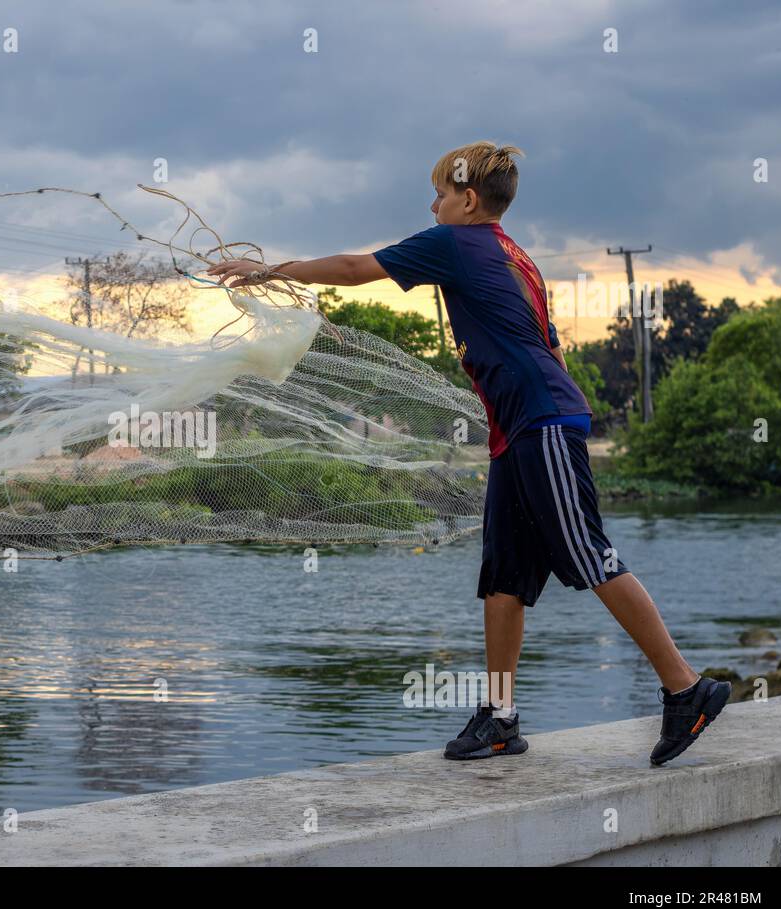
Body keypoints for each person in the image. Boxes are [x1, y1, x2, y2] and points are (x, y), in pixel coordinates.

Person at [206, 141, 729, 766]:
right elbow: (550, 343)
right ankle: (501, 717)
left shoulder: (457, 242)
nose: (433, 206)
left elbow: (353, 268)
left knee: (590, 553)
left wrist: (273, 270)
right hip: (519, 430)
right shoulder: (518, 257)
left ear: (469, 200)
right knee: (503, 573)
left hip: (542, 421)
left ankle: (685, 686)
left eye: (441, 195)